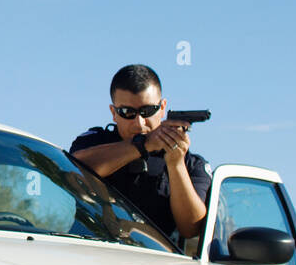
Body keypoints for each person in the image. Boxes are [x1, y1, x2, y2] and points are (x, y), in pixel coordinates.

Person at [68, 63, 211, 242]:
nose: (139, 123)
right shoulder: (94, 142)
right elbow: (74, 168)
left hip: (157, 263)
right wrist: (142, 145)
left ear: (163, 107)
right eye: (127, 112)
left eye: (147, 111)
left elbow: (191, 228)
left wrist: (176, 164)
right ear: (113, 112)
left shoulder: (192, 164)